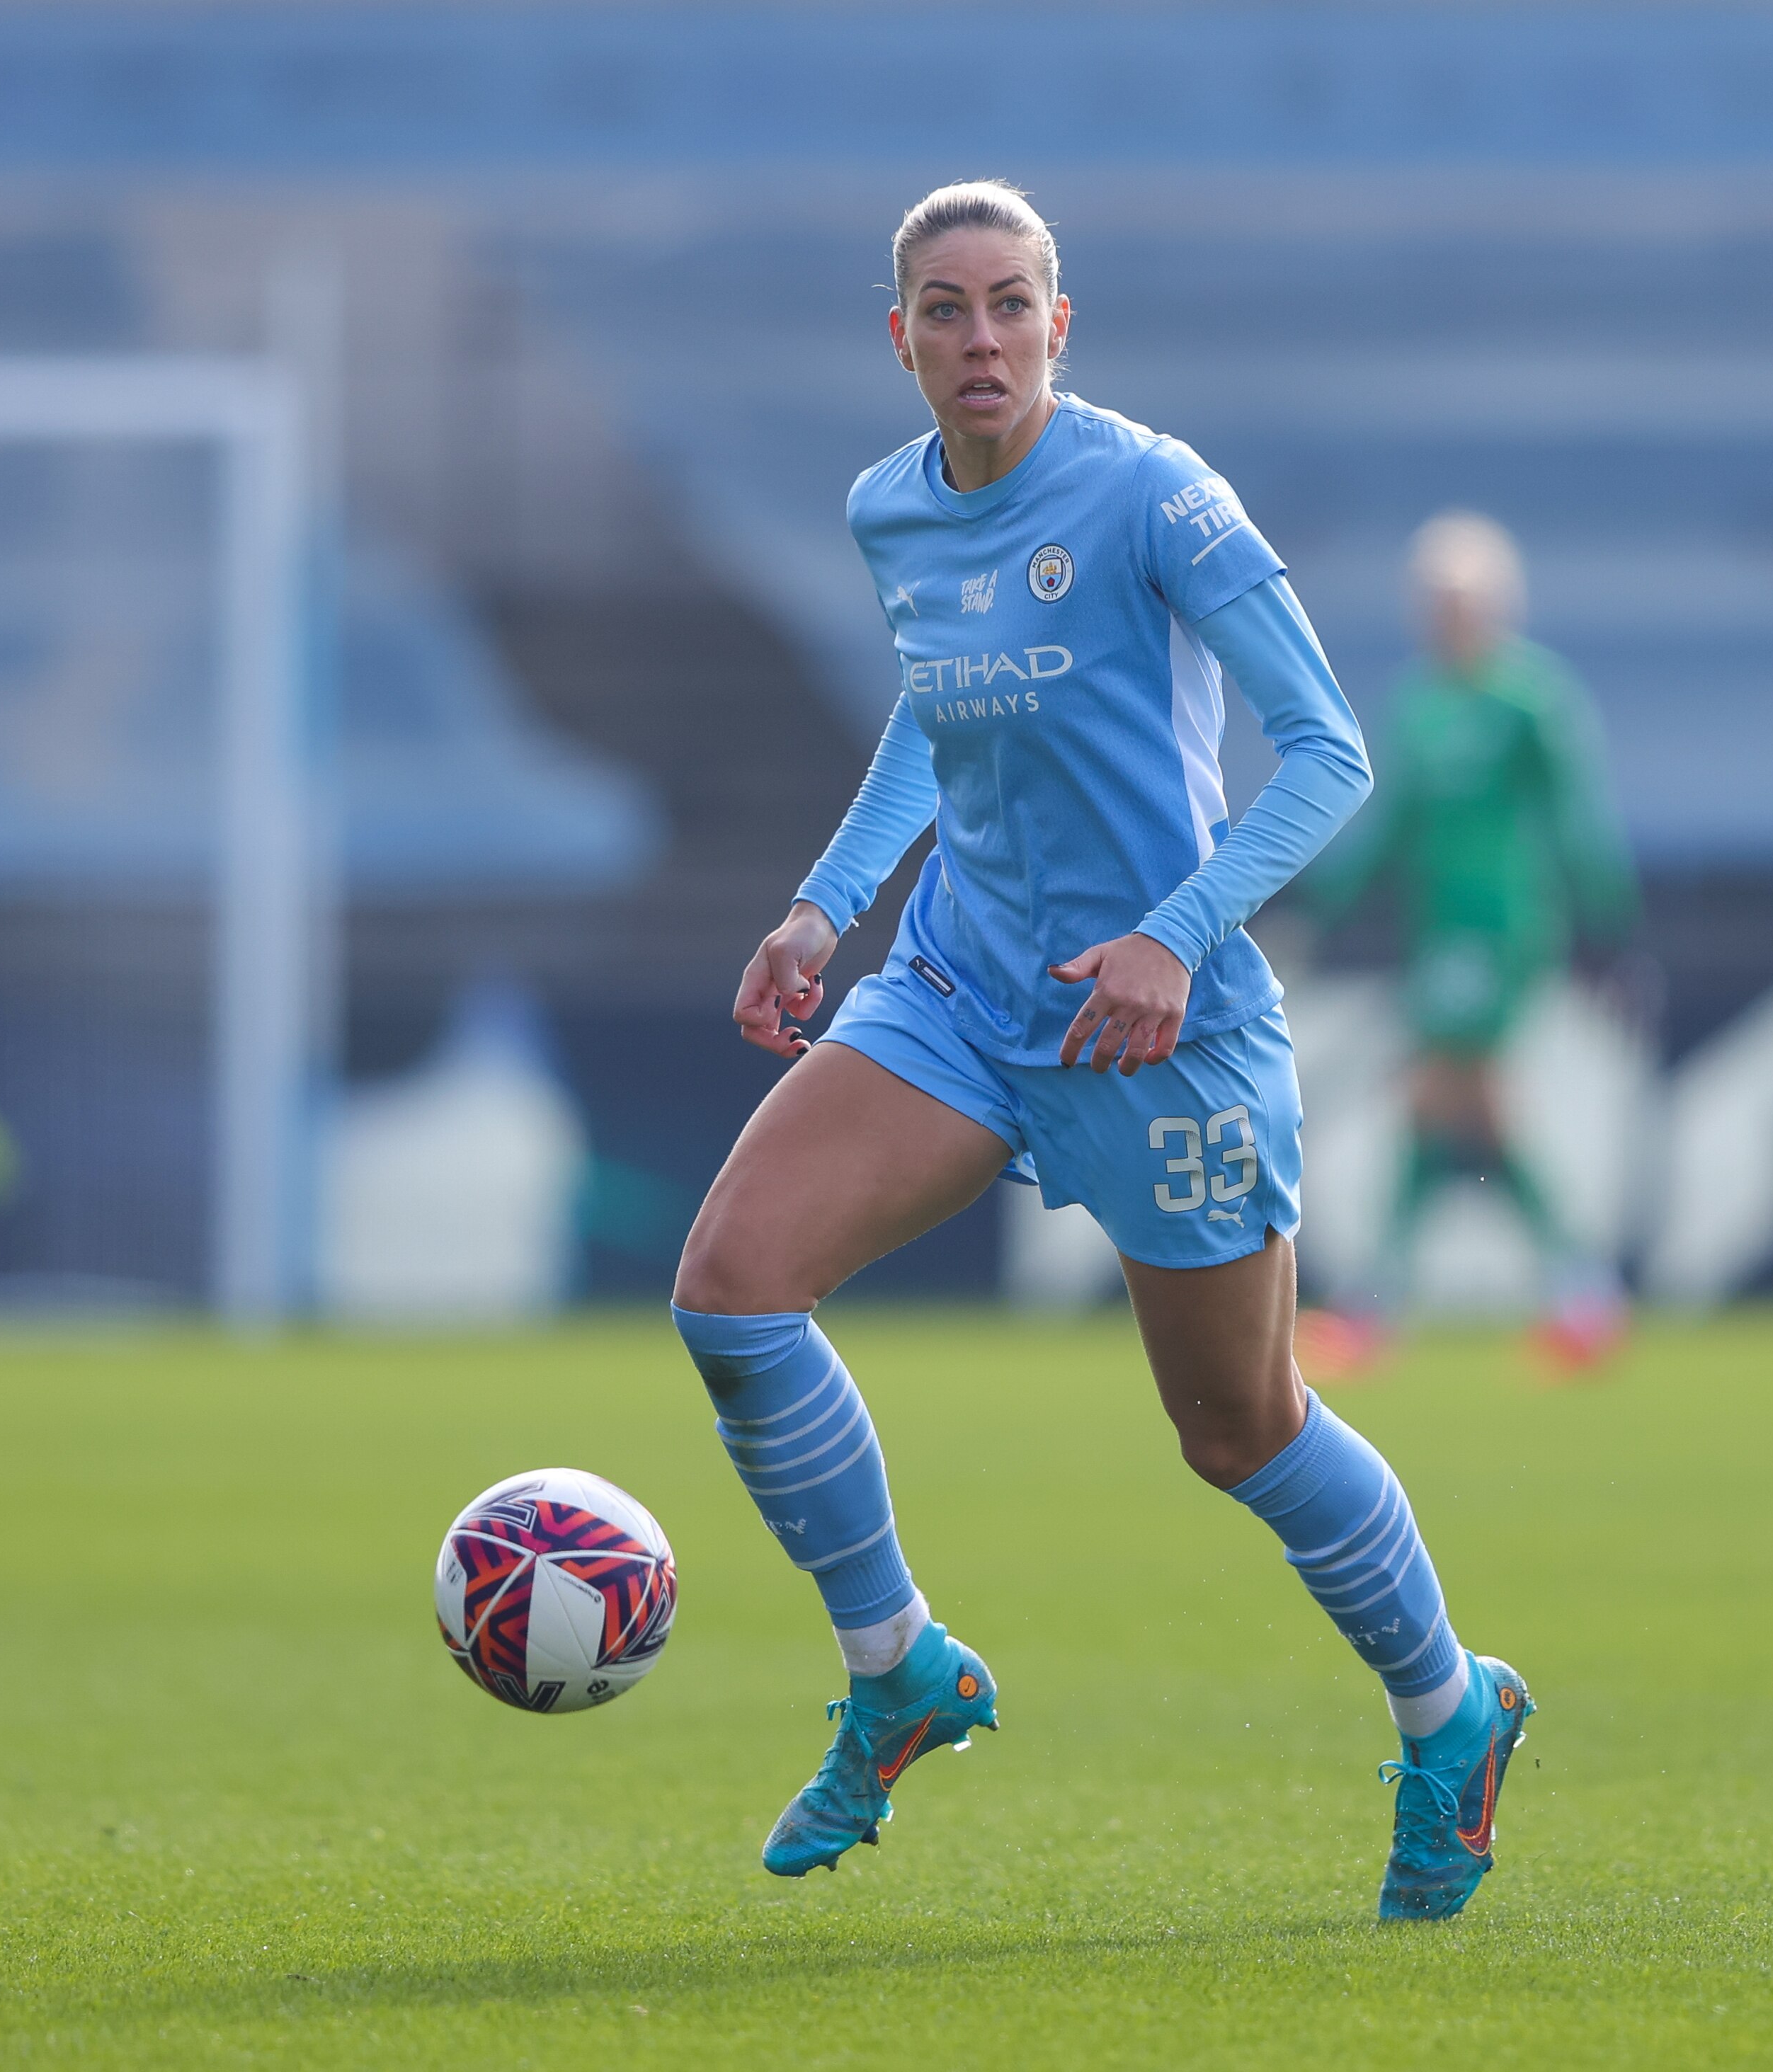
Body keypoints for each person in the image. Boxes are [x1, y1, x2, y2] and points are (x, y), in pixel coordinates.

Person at [668, 181, 1532, 1923]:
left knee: (1238, 1429)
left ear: (1063, 326)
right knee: (733, 1291)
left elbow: (1325, 757)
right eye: (943, 309)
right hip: (964, 991)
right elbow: (935, 703)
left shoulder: (1155, 494)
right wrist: (825, 912)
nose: (978, 339)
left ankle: (1453, 1709)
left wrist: (1174, 935)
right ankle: (900, 1667)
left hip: (1162, 1026)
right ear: (897, 334)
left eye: (1008, 306)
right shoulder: (890, 510)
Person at [1294, 510, 1640, 1380]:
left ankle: (1378, 1306)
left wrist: (1609, 922)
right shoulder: (1419, 704)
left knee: (1447, 1094)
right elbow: (1391, 824)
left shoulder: (1531, 700)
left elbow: (1576, 817)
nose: (1448, 614)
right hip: (1436, 931)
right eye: (1436, 598)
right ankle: (1579, 1298)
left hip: (1503, 928)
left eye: (1464, 597)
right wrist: (1328, 902)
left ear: (1499, 603)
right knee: (1457, 1107)